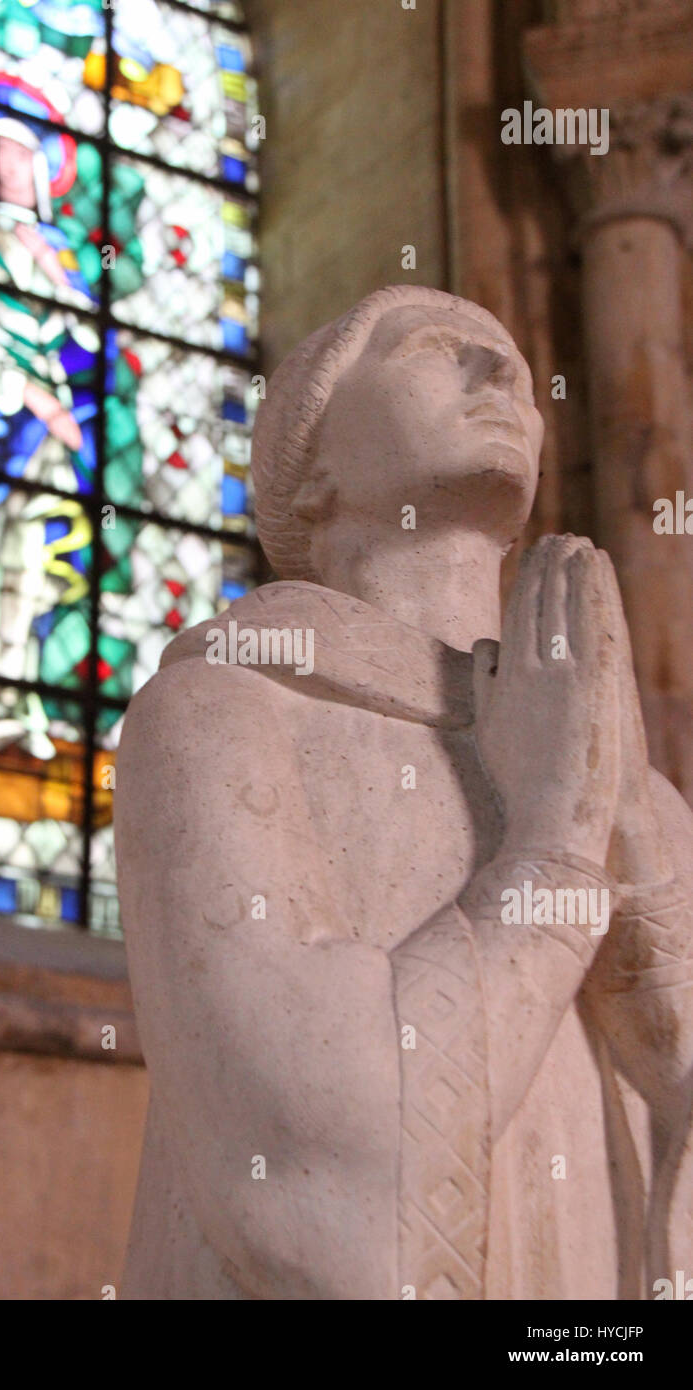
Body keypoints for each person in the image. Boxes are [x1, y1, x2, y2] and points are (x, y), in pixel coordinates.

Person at [115, 285, 693, 1299]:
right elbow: (308, 1154)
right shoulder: (219, 713)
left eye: (512, 361)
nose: (504, 375)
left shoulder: (619, 779)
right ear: (311, 472)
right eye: (439, 348)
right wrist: (554, 846)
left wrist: (633, 859)